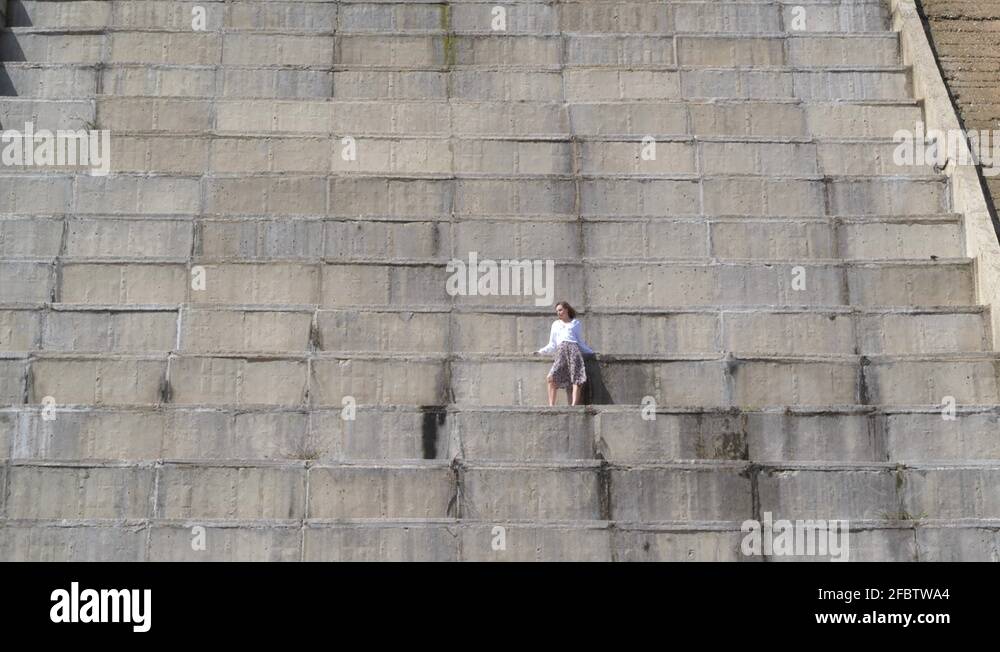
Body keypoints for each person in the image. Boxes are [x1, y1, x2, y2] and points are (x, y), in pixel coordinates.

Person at [536, 301, 594, 406]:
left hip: (574, 351)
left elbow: (580, 342)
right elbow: (552, 344)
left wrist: (591, 352)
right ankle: (551, 406)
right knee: (551, 378)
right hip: (561, 352)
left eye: (560, 310)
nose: (558, 313)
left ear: (566, 309)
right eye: (557, 311)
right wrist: (541, 351)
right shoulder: (556, 324)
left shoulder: (575, 323)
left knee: (577, 378)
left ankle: (573, 406)